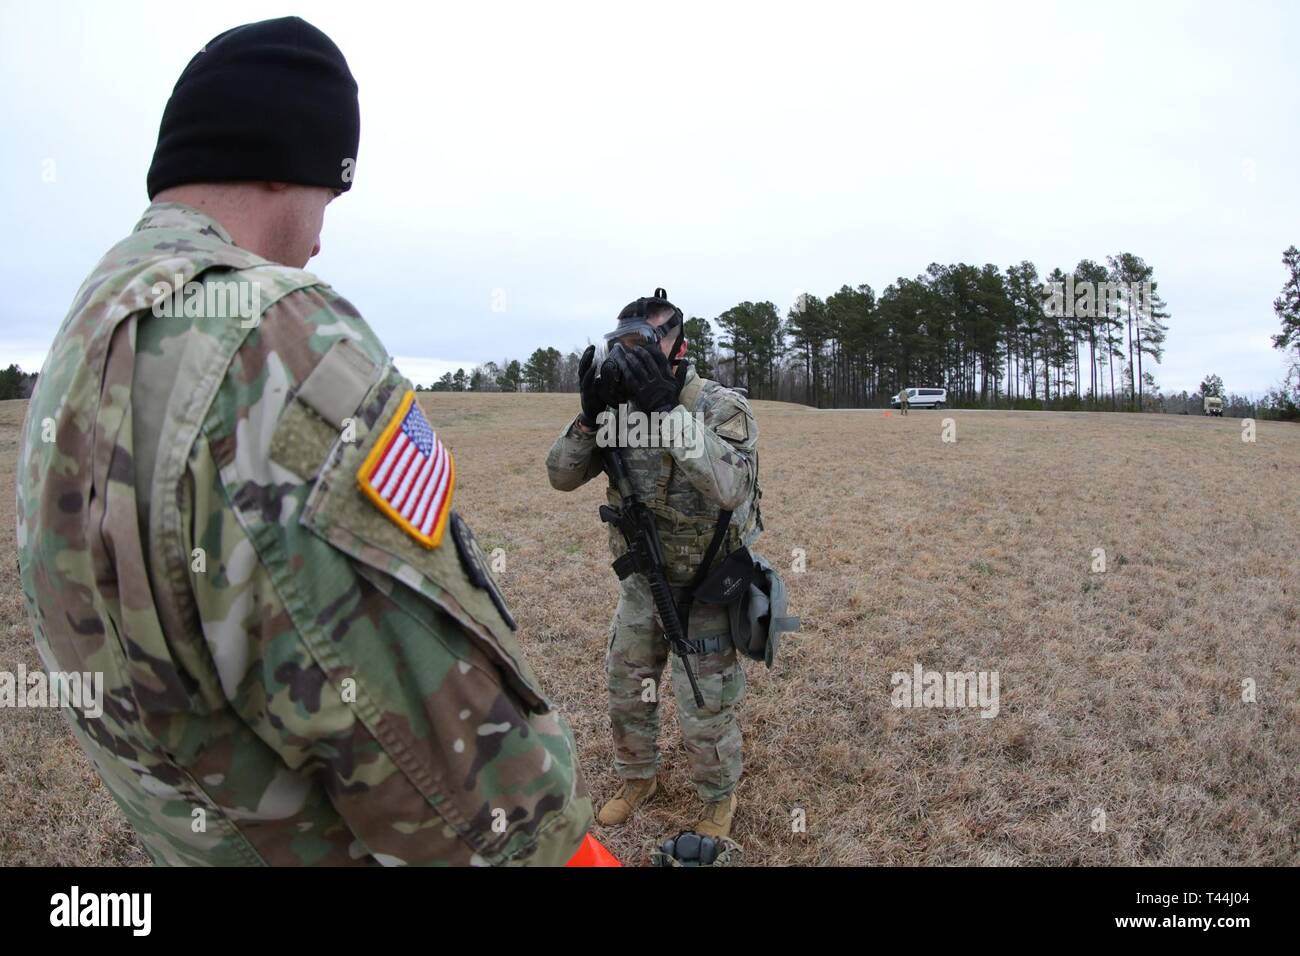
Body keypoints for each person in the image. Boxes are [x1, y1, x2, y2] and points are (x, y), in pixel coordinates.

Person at [14, 16, 593, 866]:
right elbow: (468, 796)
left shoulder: (78, 347)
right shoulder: (268, 338)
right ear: (291, 164)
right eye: (329, 198)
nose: (321, 237)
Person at [545, 290, 763, 839]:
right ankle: (637, 778)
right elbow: (561, 475)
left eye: (647, 340)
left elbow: (731, 485)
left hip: (707, 587)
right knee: (627, 686)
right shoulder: (615, 412)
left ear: (680, 346)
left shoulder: (719, 407)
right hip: (642, 585)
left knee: (705, 704)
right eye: (623, 342)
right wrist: (590, 417)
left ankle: (717, 799)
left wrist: (667, 411)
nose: (631, 353)